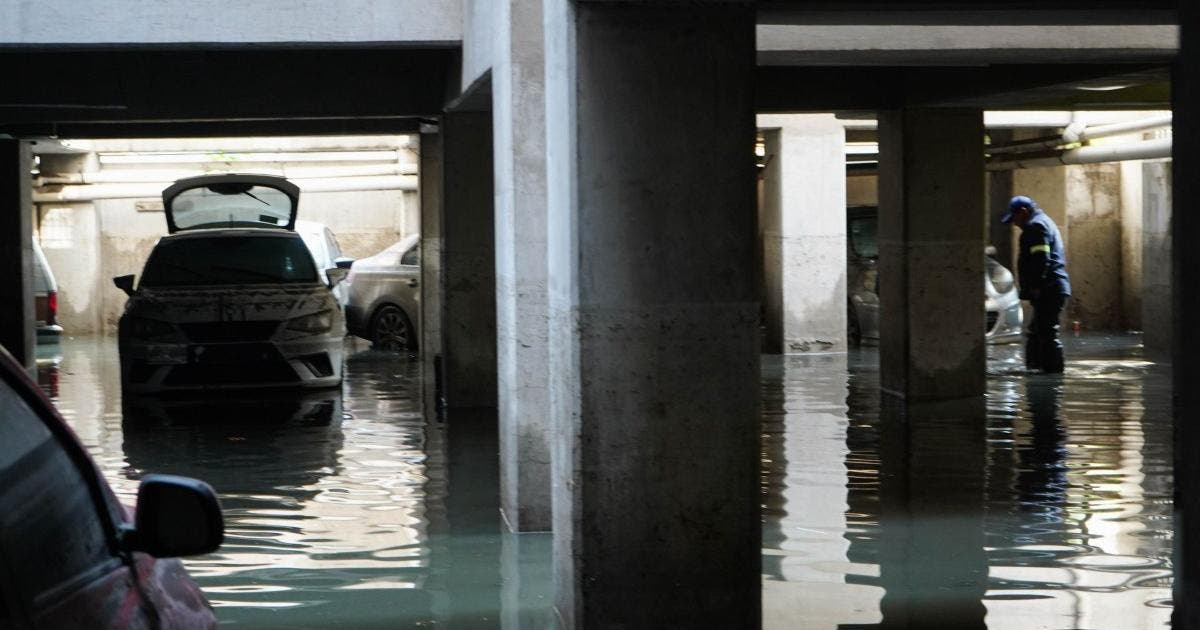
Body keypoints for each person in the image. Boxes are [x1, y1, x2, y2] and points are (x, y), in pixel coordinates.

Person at [1001, 195, 1071, 373]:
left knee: (1046, 335)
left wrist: (1036, 286)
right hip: (1053, 287)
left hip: (1049, 288)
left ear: (1023, 212)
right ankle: (1038, 370)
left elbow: (1041, 258)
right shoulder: (1045, 221)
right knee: (1038, 333)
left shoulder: (1035, 226)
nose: (1015, 224)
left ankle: (1050, 377)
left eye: (1015, 218)